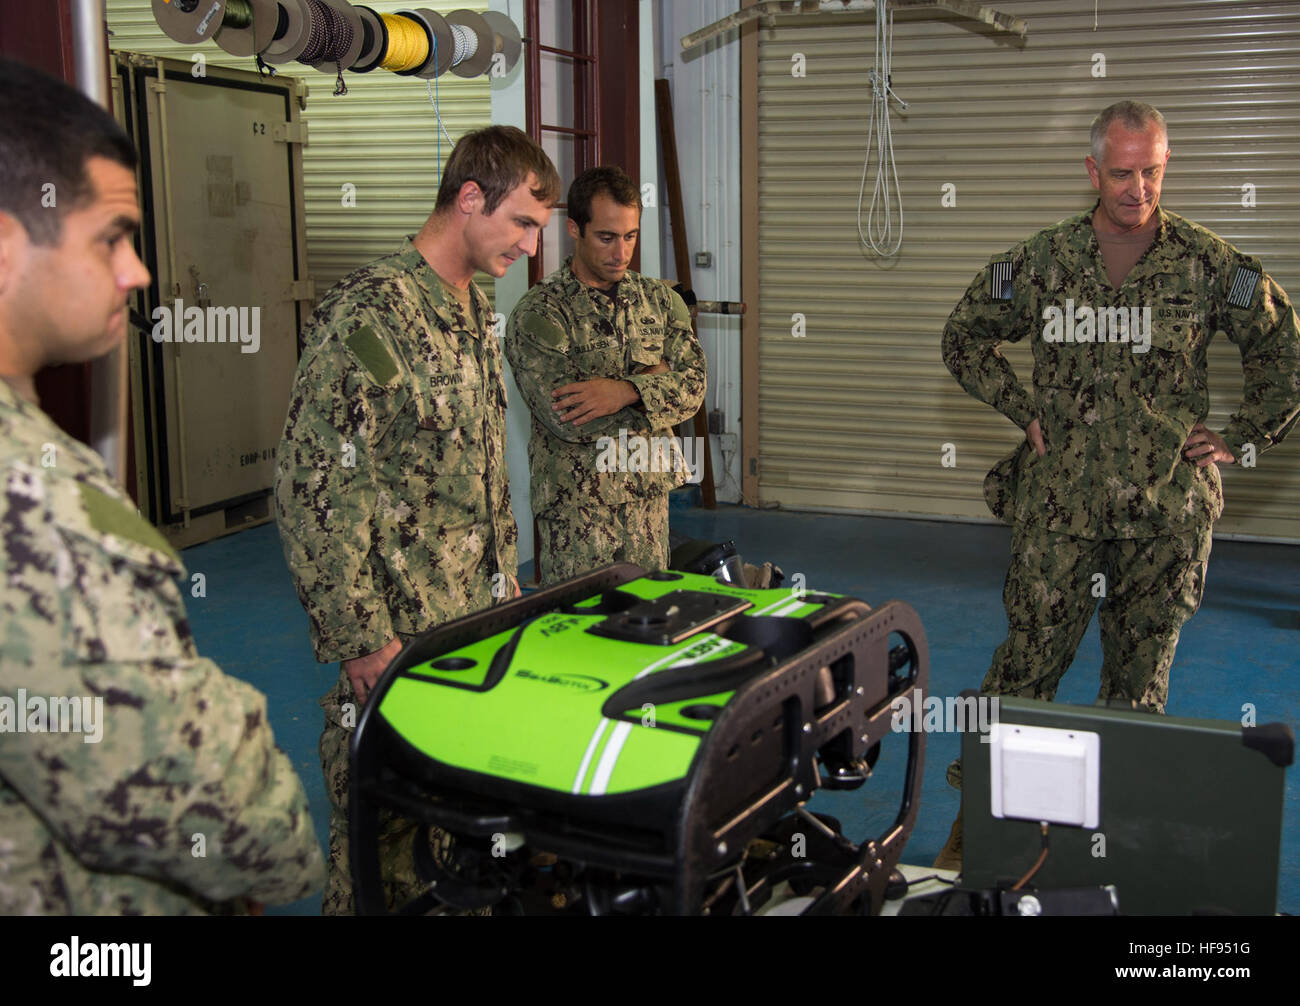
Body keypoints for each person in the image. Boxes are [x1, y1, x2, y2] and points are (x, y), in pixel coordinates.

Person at [935, 99, 1300, 869]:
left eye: (1154, 172)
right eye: (1125, 173)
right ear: (1093, 170)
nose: (1140, 189)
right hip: (1060, 507)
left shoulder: (1211, 265)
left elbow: (1282, 346)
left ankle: (1107, 840)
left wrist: (1240, 436)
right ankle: (983, 821)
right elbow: (963, 336)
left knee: (1138, 687)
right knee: (1026, 666)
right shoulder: (1038, 262)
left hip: (1166, 514)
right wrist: (1023, 408)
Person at [0, 58, 324, 914]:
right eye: (112, 238)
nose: (139, 272)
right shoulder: (30, 506)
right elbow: (162, 773)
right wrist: (283, 862)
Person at [274, 125, 559, 914]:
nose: (533, 249)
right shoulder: (374, 316)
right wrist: (361, 635)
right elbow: (316, 484)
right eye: (523, 225)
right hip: (400, 639)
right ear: (470, 198)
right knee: (383, 863)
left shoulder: (468, 303)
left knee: (454, 852)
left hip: (470, 630)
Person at [504, 166, 707, 584]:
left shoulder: (659, 301)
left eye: (630, 236)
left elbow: (693, 388)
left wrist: (623, 391)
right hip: (579, 509)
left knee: (650, 623)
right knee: (583, 629)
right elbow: (569, 417)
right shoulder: (541, 314)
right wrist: (656, 383)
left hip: (647, 499)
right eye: (607, 237)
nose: (621, 252)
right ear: (575, 229)